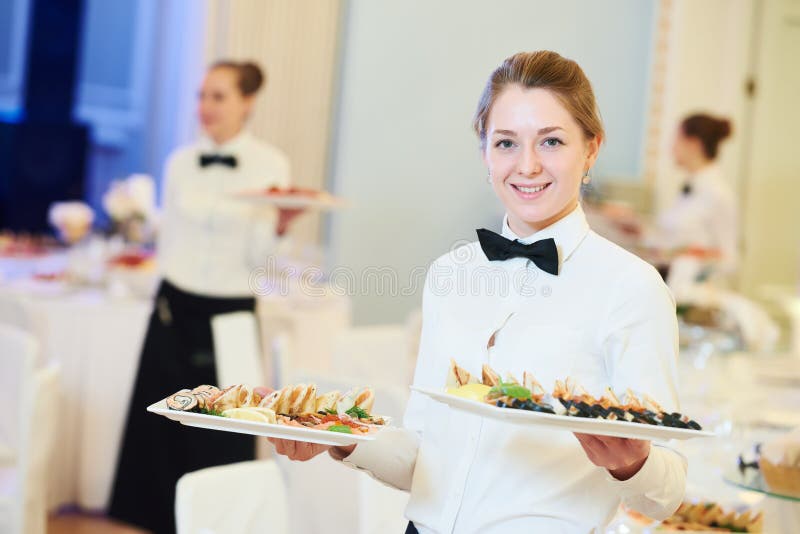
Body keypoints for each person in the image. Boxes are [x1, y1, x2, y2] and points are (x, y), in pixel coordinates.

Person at [268, 51, 686, 532]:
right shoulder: (449, 274)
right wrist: (336, 434)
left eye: (551, 141)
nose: (527, 165)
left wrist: (633, 464)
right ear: (485, 152)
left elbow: (667, 494)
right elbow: (423, 456)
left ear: (591, 150)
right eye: (506, 143)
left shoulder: (632, 288)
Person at [109, 60, 303, 534]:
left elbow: (262, 261)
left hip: (232, 310)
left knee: (229, 426)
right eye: (201, 96)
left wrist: (280, 227)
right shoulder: (179, 162)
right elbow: (169, 240)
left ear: (247, 102)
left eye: (219, 97)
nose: (205, 107)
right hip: (173, 307)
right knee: (161, 427)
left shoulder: (271, 164)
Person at [649, 113, 737, 277]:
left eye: (677, 139)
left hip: (691, 287)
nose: (672, 148)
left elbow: (728, 260)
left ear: (694, 144)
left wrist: (691, 257)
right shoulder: (689, 188)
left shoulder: (719, 195)